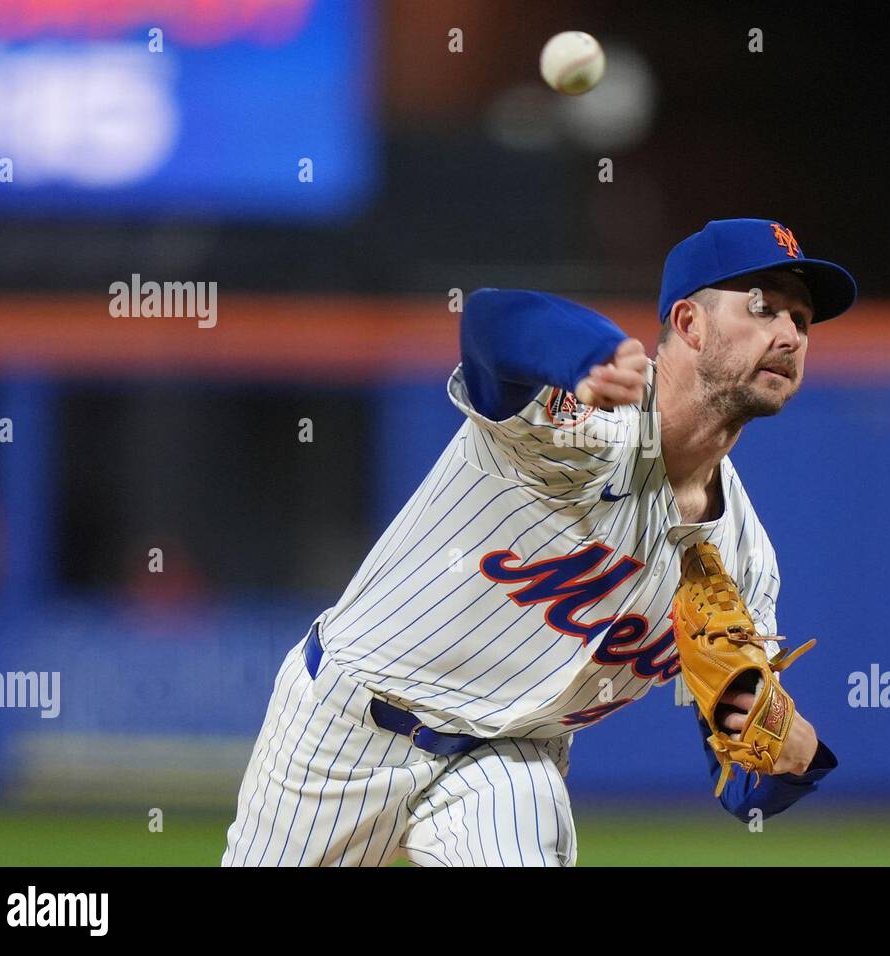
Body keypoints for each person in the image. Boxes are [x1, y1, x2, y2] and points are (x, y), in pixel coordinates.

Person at [223, 218, 856, 867]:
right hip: (345, 727)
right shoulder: (581, 423)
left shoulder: (743, 559)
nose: (788, 335)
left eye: (802, 322)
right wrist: (587, 353)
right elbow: (492, 322)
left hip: (508, 763)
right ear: (690, 324)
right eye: (763, 307)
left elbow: (743, 785)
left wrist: (793, 756)